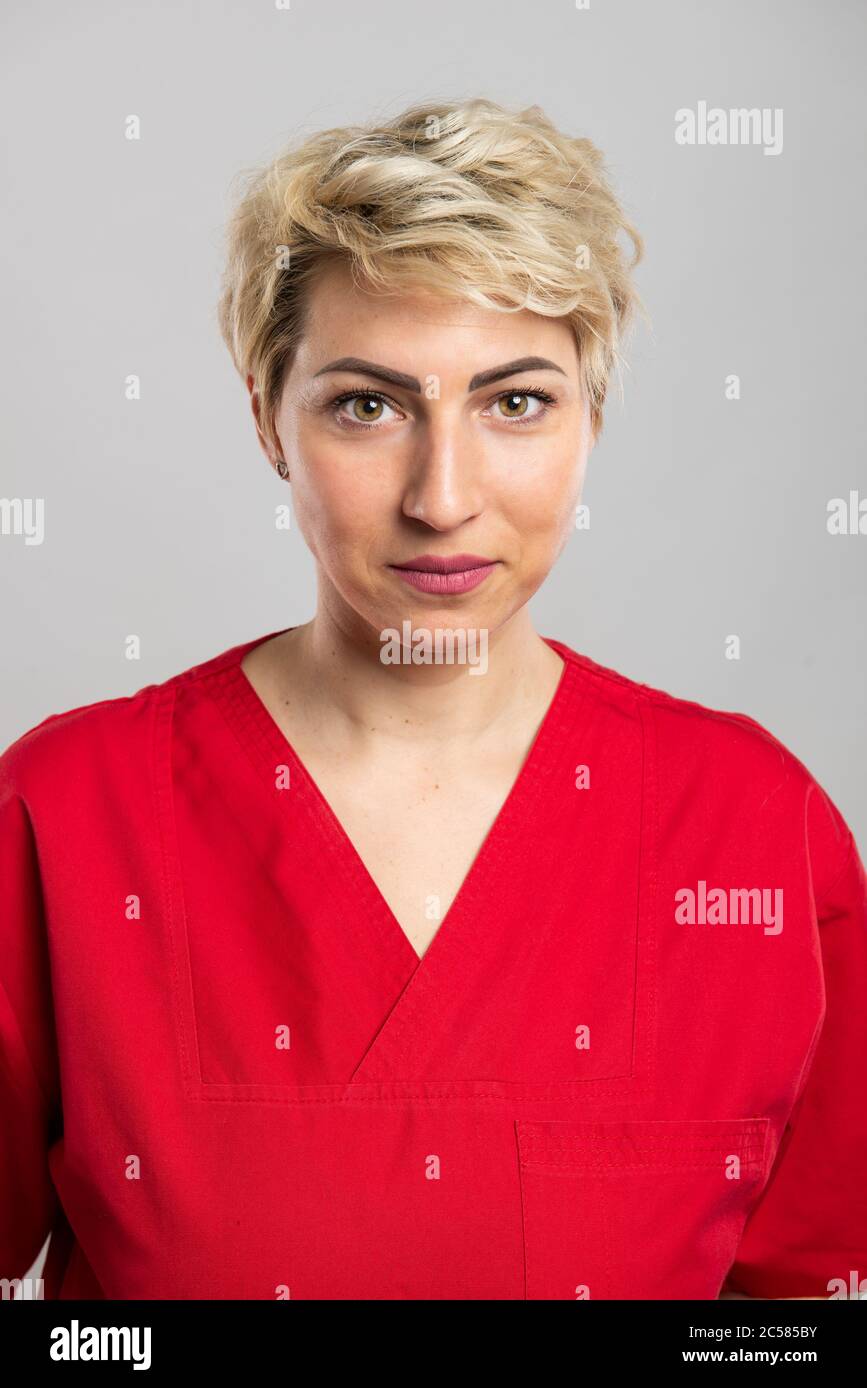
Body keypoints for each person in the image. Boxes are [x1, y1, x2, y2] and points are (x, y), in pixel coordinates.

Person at [1, 97, 865, 1301]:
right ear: (268, 419)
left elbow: (791, 1313)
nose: (443, 496)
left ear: (591, 418)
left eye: (516, 401)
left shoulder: (753, 830)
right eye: (368, 405)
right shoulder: (66, 815)